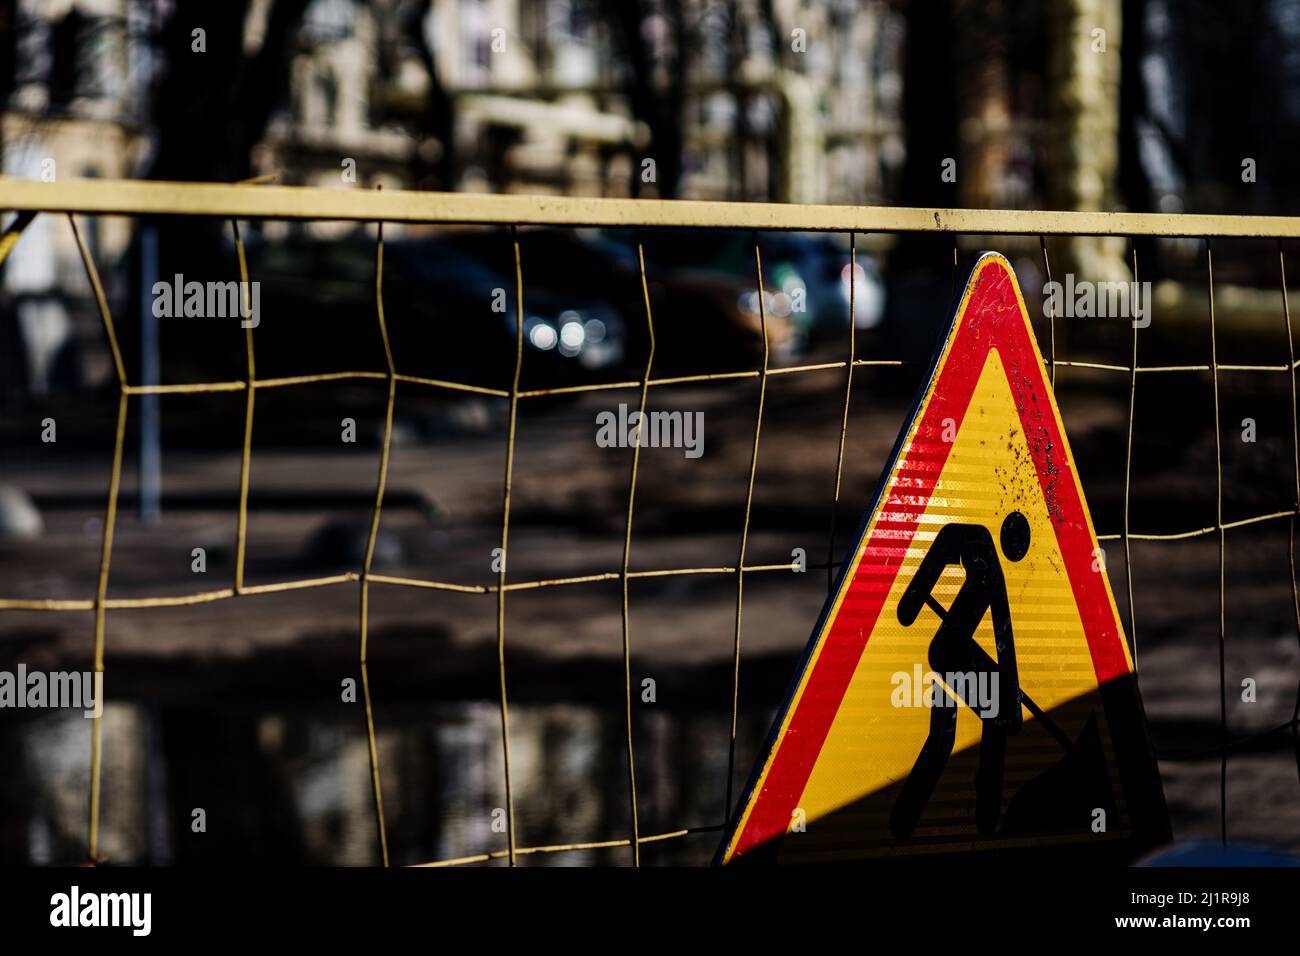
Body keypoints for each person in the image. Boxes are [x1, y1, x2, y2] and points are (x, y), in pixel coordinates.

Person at [889, 511, 1030, 839]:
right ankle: (974, 818)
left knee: (987, 713)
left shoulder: (988, 561)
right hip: (948, 651)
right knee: (962, 725)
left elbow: (1002, 625)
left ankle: (983, 818)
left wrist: (1010, 686)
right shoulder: (974, 539)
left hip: (951, 651)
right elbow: (935, 561)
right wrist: (910, 604)